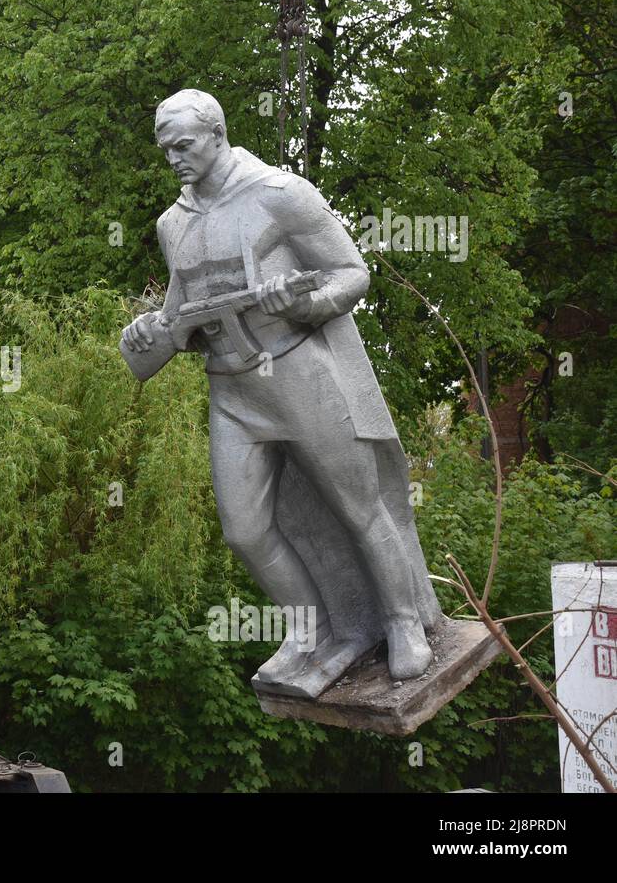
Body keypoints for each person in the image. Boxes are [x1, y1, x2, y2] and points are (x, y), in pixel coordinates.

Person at [121, 89, 442, 698]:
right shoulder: (172, 223)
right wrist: (150, 329)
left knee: (360, 508)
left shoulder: (281, 193)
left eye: (183, 145)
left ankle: (403, 622)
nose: (174, 159)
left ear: (217, 134)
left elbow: (352, 273)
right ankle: (309, 631)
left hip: (298, 376)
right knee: (244, 531)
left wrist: (305, 304)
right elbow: (181, 314)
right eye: (166, 149)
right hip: (232, 391)